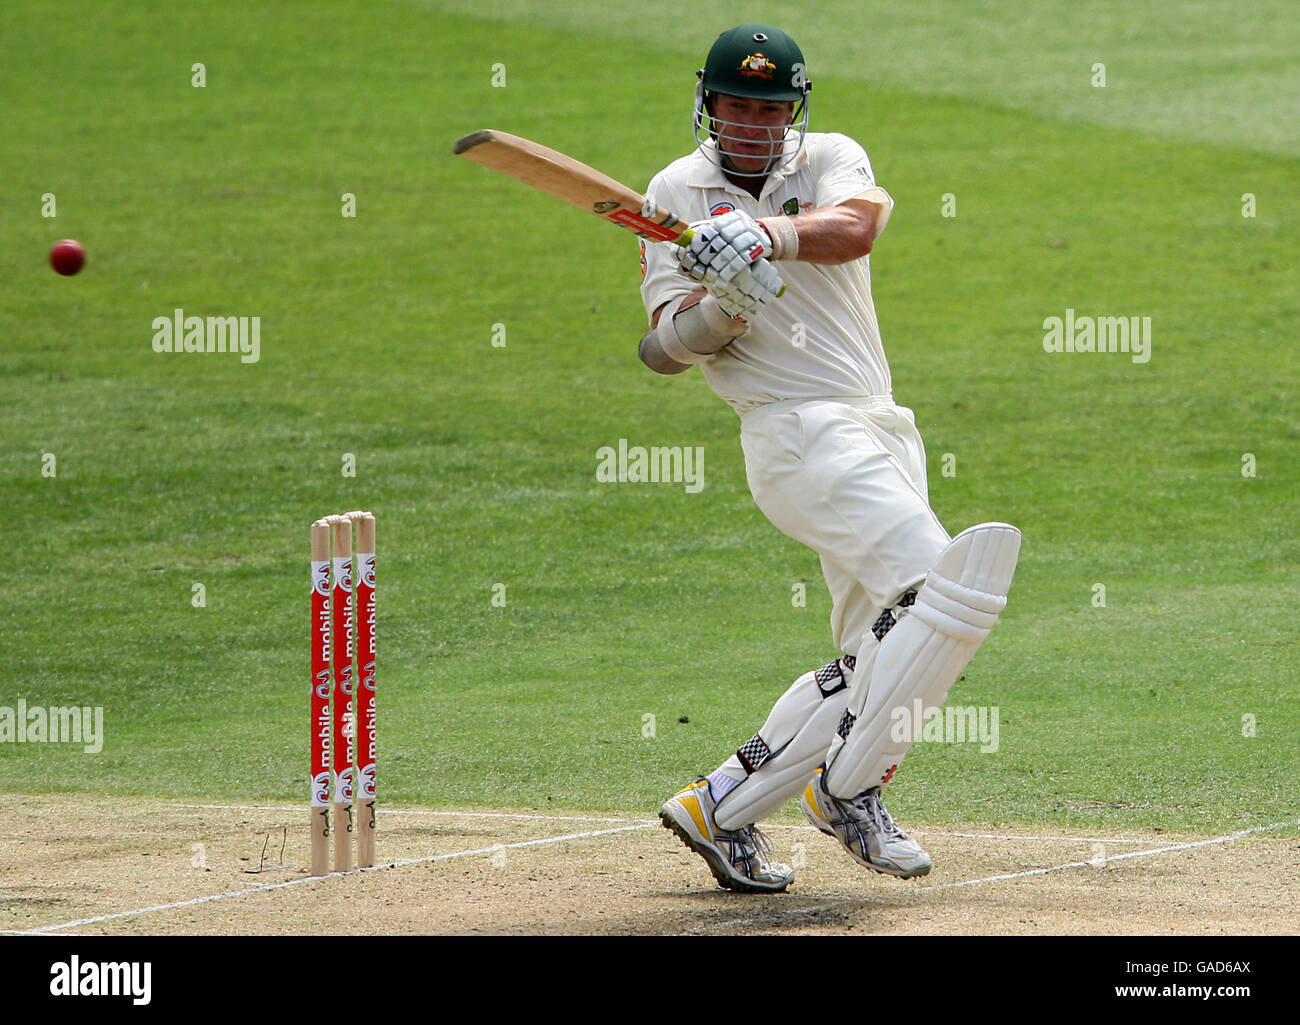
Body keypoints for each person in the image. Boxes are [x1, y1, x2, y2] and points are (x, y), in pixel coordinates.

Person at [640, 24, 1022, 893]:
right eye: (738, 105)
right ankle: (849, 791)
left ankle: (723, 806)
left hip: (878, 424)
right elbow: (661, 350)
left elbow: (856, 229)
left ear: (794, 113)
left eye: (771, 110)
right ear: (708, 102)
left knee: (876, 655)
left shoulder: (830, 158)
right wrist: (718, 309)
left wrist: (764, 239)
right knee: (943, 587)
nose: (753, 124)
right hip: (792, 430)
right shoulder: (674, 190)